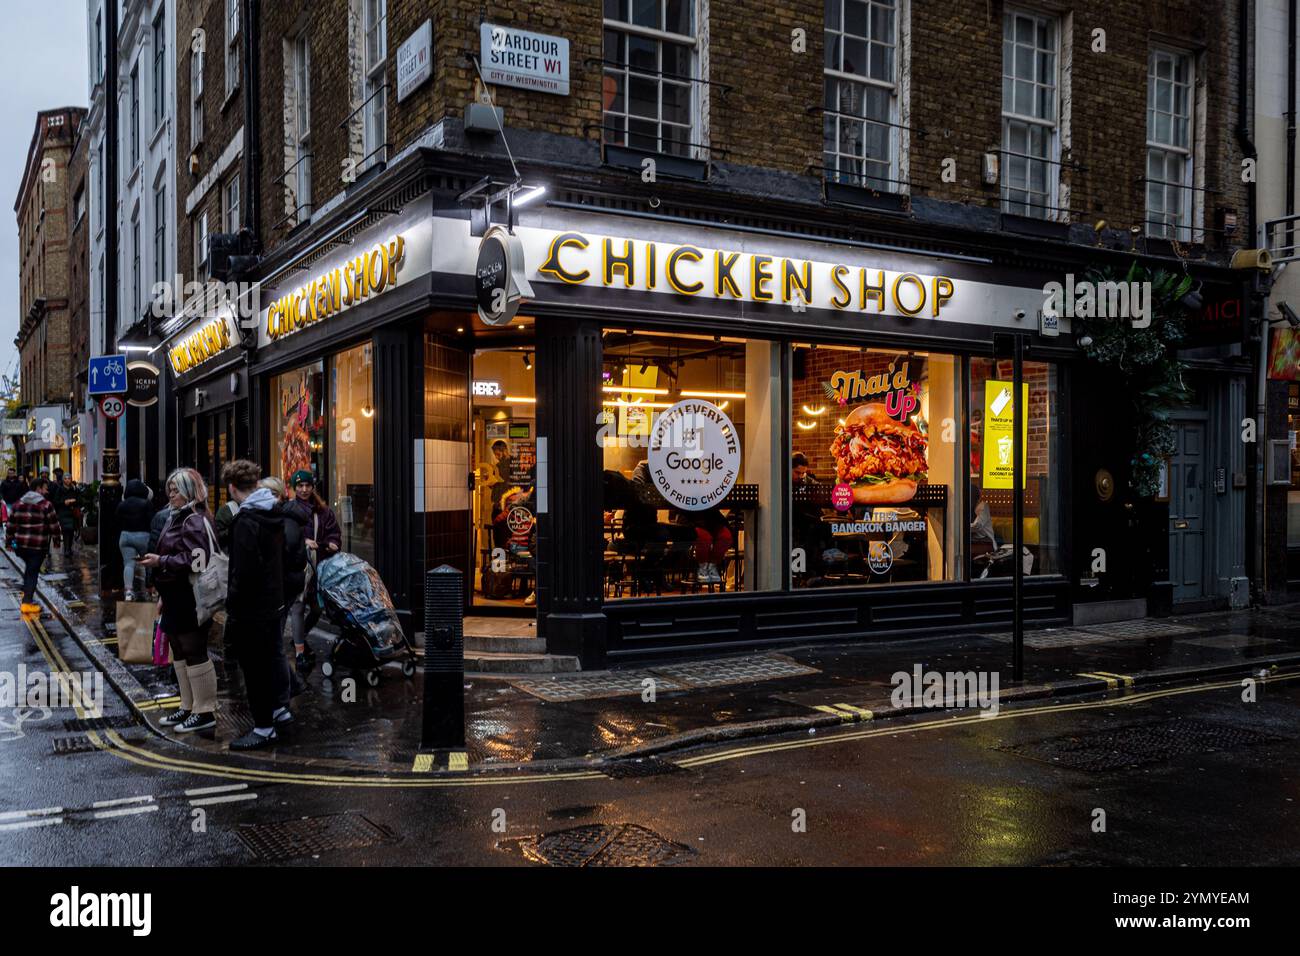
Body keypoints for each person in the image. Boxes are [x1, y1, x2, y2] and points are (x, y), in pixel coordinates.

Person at [139, 469, 219, 734]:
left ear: (191, 491)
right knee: (180, 650)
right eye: (170, 490)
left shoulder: (193, 520)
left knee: (194, 650)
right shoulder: (178, 517)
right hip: (175, 596)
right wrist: (163, 594)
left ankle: (205, 711)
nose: (171, 495)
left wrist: (161, 561)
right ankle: (188, 706)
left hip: (190, 597)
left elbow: (198, 560)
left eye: (176, 490)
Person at [222, 460, 287, 750]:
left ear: (233, 488)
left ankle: (263, 728)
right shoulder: (272, 512)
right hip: (274, 601)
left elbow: (244, 572)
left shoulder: (246, 521)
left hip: (253, 608)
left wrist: (232, 604)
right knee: (272, 658)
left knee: (255, 668)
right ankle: (278, 711)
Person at [285, 469, 341, 675]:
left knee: (317, 608)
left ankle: (299, 638)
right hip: (297, 568)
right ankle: (300, 652)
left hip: (319, 568)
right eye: (300, 486)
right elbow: (283, 537)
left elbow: (334, 533)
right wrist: (303, 541)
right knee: (298, 608)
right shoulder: (288, 509)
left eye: (308, 485)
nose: (304, 489)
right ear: (294, 488)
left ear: (313, 487)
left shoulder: (323, 511)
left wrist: (333, 542)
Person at [260, 476, 308, 714]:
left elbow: (285, 556)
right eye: (263, 493)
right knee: (274, 640)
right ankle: (290, 684)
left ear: (280, 495)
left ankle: (288, 689)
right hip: (283, 586)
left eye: (271, 493)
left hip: (283, 587)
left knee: (274, 641)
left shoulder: (285, 521)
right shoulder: (280, 518)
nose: (266, 498)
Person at [5, 478, 61, 614]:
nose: (47, 491)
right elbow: (54, 525)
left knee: (29, 570)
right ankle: (27, 603)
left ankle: (27, 595)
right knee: (32, 573)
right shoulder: (46, 505)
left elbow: (10, 526)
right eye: (45, 488)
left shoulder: (18, 505)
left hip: (21, 546)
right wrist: (57, 541)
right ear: (38, 489)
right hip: (38, 546)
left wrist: (9, 543)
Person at [115, 479, 153, 600]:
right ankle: (150, 589)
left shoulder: (122, 504)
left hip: (126, 536)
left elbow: (116, 521)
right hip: (143, 536)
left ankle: (129, 592)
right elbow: (152, 520)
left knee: (128, 564)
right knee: (149, 564)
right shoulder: (146, 503)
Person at [50, 470, 78, 558]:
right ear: (63, 480)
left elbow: (79, 499)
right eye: (65, 478)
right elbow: (56, 501)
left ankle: (69, 548)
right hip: (63, 513)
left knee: (71, 531)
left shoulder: (74, 489)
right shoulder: (59, 489)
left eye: (69, 478)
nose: (67, 480)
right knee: (66, 530)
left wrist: (74, 501)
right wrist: (64, 502)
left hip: (72, 513)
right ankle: (66, 549)